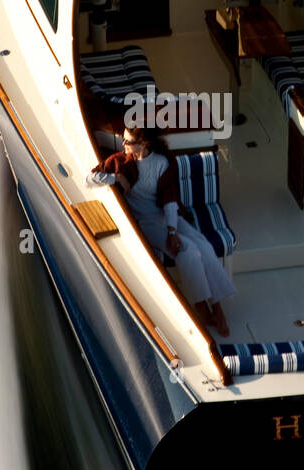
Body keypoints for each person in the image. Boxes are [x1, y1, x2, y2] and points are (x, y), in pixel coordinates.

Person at [86, 126, 236, 337]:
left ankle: (217, 308)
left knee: (203, 245)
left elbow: (169, 199)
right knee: (188, 251)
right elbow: (89, 179)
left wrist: (173, 230)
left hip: (167, 215)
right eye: (124, 140)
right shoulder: (120, 161)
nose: (123, 144)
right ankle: (202, 309)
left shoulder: (162, 163)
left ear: (143, 144)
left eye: (128, 142)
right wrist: (116, 178)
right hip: (145, 221)